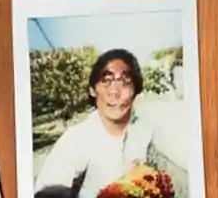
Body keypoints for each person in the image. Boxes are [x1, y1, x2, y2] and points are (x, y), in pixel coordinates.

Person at [34, 49, 163, 198]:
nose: (115, 91)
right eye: (106, 81)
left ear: (136, 90)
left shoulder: (146, 134)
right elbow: (47, 192)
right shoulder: (75, 141)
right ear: (92, 90)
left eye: (125, 81)